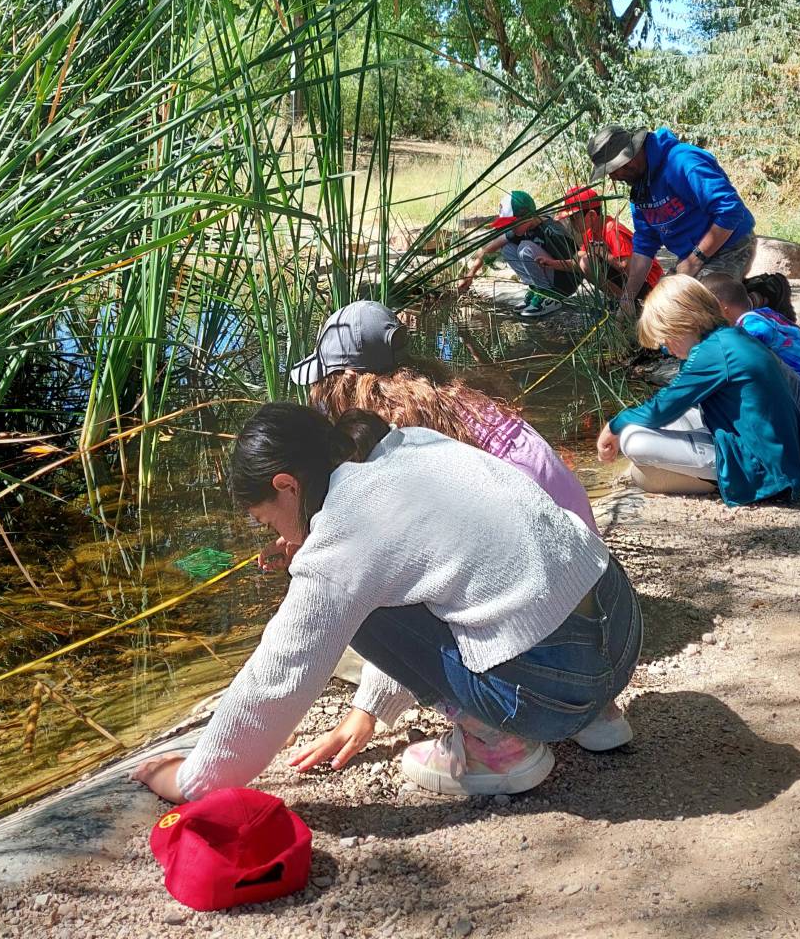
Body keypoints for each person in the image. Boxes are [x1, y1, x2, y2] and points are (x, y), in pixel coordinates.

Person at [131, 403, 642, 803]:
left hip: (556, 693)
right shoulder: (410, 444)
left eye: (268, 520)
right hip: (620, 630)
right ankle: (599, 716)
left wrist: (195, 780)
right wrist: (371, 709)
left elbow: (279, 676)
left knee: (350, 605)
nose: (276, 533)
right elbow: (419, 569)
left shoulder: (342, 539)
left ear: (286, 486)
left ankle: (499, 749)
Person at [290, 299, 598, 532]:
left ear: (348, 379)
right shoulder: (449, 400)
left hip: (554, 565)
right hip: (586, 556)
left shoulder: (399, 433)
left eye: (325, 383)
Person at [596, 275, 800, 504]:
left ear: (686, 323)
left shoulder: (712, 353)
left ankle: (728, 482)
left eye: (666, 340)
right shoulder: (729, 337)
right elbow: (676, 403)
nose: (667, 349)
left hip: (761, 468)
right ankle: (703, 478)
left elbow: (662, 409)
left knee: (632, 438)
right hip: (777, 460)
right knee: (659, 429)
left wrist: (614, 425)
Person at [586, 125, 756, 319]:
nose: (613, 177)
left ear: (631, 155)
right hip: (693, 255)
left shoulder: (683, 162)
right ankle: (744, 294)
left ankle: (761, 297)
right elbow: (645, 244)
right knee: (661, 310)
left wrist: (694, 260)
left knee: (701, 308)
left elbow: (730, 209)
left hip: (731, 244)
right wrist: (627, 299)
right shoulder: (641, 187)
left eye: (614, 169)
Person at [701, 273, 800, 446]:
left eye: (704, 310)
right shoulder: (766, 315)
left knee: (742, 356)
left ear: (722, 308)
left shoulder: (751, 327)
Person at [457, 189, 580, 319]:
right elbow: (488, 249)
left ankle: (548, 296)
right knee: (507, 247)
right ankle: (536, 290)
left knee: (525, 248)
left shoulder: (552, 231)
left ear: (528, 216)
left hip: (565, 282)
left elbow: (575, 266)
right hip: (550, 273)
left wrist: (552, 265)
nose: (510, 228)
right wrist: (471, 273)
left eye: (512, 224)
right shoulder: (521, 228)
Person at [543, 185, 664, 302]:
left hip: (646, 283)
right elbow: (577, 263)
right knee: (583, 258)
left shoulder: (611, 229)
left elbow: (626, 266)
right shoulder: (590, 232)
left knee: (587, 261)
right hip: (629, 282)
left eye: (574, 218)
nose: (572, 222)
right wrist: (553, 264)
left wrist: (600, 251)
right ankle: (623, 301)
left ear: (591, 215)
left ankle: (626, 302)